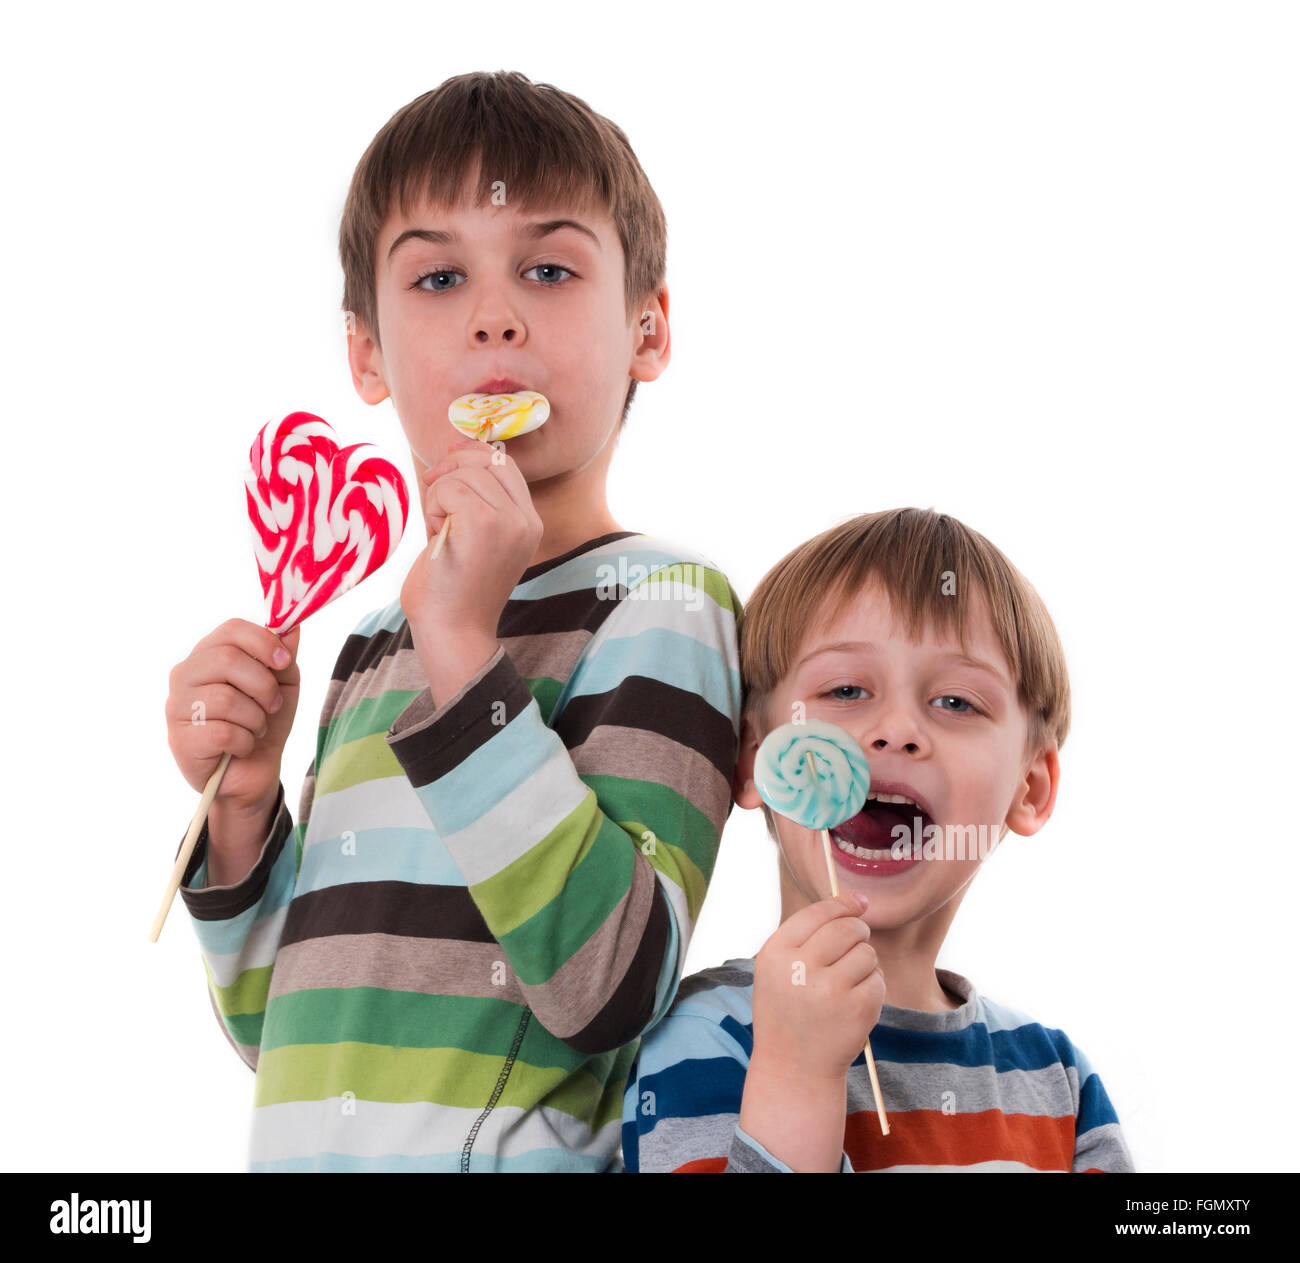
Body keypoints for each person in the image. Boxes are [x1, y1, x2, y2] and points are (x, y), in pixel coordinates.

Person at [164, 70, 742, 1172]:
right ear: (366, 356)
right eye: (436, 276)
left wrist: (467, 653)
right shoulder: (373, 641)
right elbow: (279, 1026)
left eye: (548, 268)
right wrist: (240, 807)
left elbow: (607, 988)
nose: (494, 314)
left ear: (647, 331)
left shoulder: (666, 606)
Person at [622, 508, 1135, 1172]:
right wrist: (796, 1075)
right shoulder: (705, 1039)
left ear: (1029, 787)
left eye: (955, 702)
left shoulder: (1058, 1079)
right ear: (752, 757)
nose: (896, 729)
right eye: (845, 689)